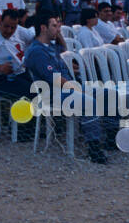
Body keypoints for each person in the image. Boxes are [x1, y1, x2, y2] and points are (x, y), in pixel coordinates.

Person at [23, 12, 108, 164]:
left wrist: (57, 32)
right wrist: (77, 88)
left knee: (107, 93)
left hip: (67, 88)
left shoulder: (50, 46)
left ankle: (110, 137)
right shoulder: (36, 51)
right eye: (54, 26)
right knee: (88, 102)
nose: (58, 29)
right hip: (52, 94)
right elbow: (54, 79)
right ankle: (94, 148)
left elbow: (63, 47)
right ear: (43, 28)